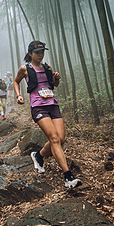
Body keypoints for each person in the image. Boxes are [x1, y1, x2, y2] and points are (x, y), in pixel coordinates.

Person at [13, 41, 80, 188]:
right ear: (30, 53)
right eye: (37, 52)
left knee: (61, 139)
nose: (40, 55)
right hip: (38, 107)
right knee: (54, 138)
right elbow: (16, 82)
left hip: (52, 105)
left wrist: (56, 78)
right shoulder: (25, 69)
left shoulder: (47, 67)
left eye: (42, 52)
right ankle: (68, 177)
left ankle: (38, 156)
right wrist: (18, 95)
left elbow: (54, 85)